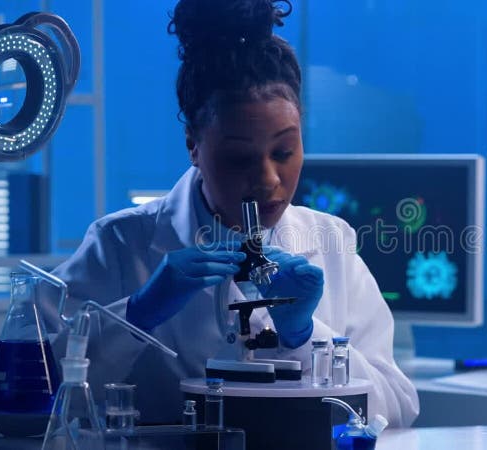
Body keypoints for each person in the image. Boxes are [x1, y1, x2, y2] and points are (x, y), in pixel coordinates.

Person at [46, 0, 419, 427]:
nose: (268, 180)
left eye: (284, 152)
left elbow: (398, 408)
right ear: (193, 145)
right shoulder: (120, 245)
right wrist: (136, 315)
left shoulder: (331, 242)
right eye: (239, 158)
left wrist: (304, 336)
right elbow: (22, 395)